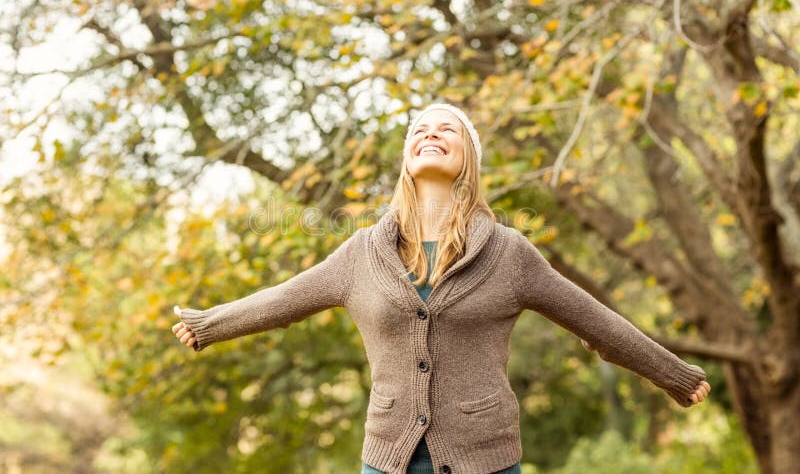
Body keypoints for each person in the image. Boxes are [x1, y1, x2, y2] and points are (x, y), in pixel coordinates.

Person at [172, 103, 711, 473]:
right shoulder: (363, 253)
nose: (430, 134)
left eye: (446, 129)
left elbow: (597, 325)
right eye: (418, 131)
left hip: (486, 460)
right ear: (407, 159)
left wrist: (675, 376)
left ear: (467, 158)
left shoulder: (509, 253)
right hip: (388, 459)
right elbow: (284, 301)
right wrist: (207, 325)